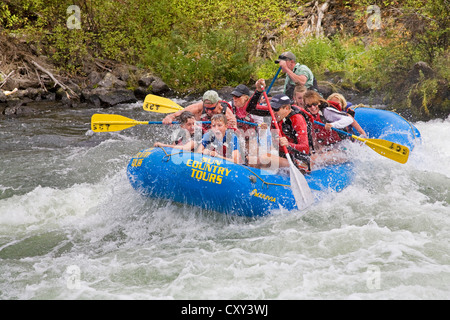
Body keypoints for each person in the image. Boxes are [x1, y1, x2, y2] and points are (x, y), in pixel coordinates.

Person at [246, 78, 311, 172]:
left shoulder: (297, 119)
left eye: (276, 109)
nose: (273, 112)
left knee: (263, 158)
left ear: (287, 108)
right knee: (252, 156)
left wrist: (288, 144)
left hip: (299, 161)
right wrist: (258, 92)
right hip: (282, 155)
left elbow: (305, 148)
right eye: (272, 108)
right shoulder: (275, 113)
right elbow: (250, 109)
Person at [303, 90, 354, 155]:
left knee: (317, 158)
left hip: (342, 145)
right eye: (309, 105)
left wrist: (332, 125)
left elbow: (349, 119)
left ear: (319, 102)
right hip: (327, 146)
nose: (312, 107)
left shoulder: (327, 111)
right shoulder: (307, 116)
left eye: (314, 104)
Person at [162, 90, 238, 133]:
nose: (208, 111)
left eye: (211, 108)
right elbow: (178, 114)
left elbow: (235, 132)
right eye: (206, 108)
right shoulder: (198, 107)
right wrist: (169, 117)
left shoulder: (227, 113)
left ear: (218, 103)